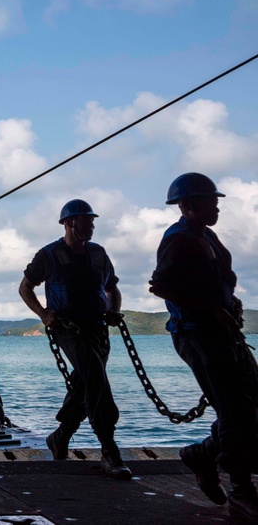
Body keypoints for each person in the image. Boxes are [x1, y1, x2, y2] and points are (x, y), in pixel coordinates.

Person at [149, 173, 257, 518]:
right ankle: (241, 491)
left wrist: (231, 305)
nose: (217, 207)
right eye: (212, 201)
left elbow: (218, 281)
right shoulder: (178, 240)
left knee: (250, 405)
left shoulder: (206, 235)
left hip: (223, 334)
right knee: (235, 412)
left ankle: (202, 455)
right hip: (198, 336)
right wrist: (212, 310)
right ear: (189, 205)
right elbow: (160, 286)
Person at [18, 199, 131, 480]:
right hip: (68, 329)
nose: (92, 226)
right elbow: (25, 288)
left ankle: (61, 436)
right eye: (86, 221)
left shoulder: (99, 254)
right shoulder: (49, 255)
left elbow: (112, 289)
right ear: (70, 223)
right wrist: (43, 314)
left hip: (97, 330)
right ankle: (109, 449)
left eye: (92, 221)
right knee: (95, 378)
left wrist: (113, 311)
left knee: (86, 382)